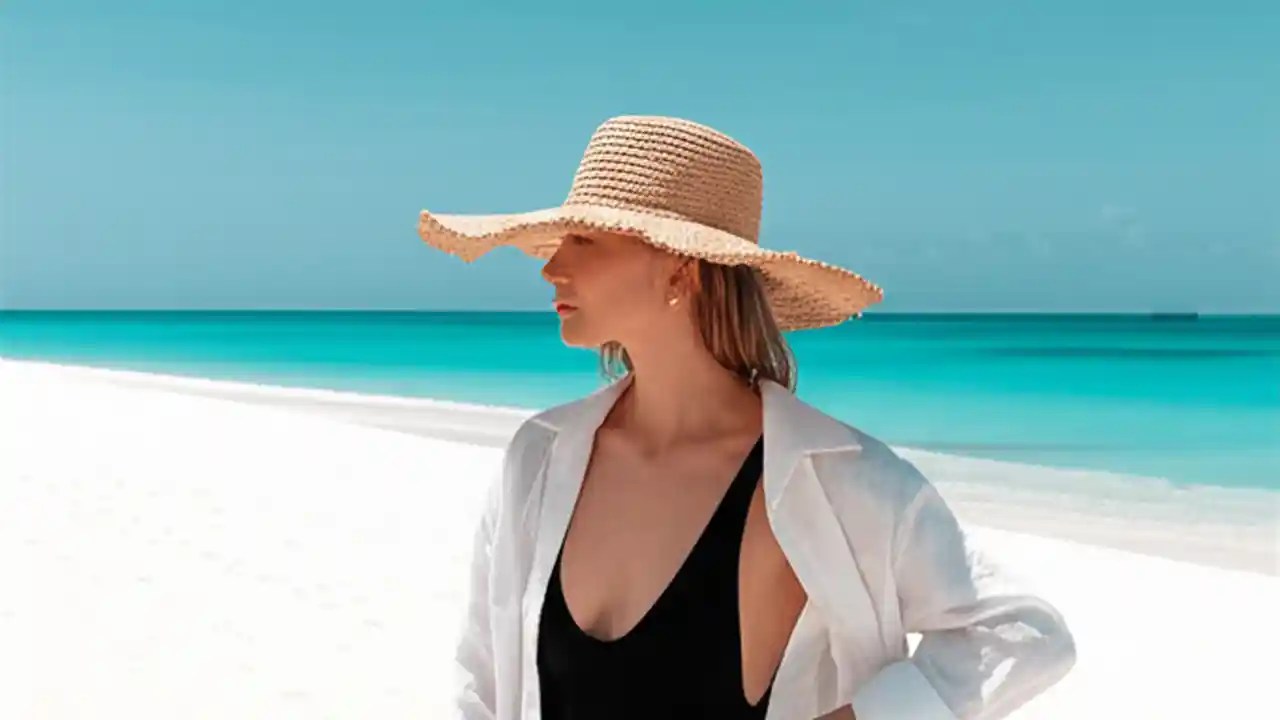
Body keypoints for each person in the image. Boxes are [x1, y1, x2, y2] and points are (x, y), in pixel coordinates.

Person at [416, 115, 1076, 720]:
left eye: (583, 239)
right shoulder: (537, 457)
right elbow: (480, 685)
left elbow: (1024, 632)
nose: (553, 267)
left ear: (679, 272)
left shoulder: (834, 480)